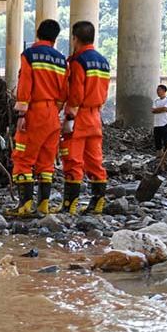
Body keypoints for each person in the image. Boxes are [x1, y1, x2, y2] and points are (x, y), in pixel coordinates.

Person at [9, 19, 67, 216]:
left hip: (34, 112)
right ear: (55, 38)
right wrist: (54, 110)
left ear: (38, 33)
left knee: (23, 158)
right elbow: (64, 92)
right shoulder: (61, 60)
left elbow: (25, 84)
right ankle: (43, 206)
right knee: (46, 161)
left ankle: (24, 206)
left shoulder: (30, 55)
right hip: (52, 115)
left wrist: (22, 113)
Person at [58, 20, 110, 214]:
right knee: (94, 159)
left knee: (72, 158)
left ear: (75, 38)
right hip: (96, 116)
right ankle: (98, 203)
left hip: (79, 116)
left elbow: (76, 93)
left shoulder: (78, 61)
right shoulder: (103, 61)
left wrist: (69, 118)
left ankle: (69, 204)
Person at [151, 85, 167, 155]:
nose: (157, 92)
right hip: (156, 123)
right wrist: (162, 109)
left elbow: (166, 108)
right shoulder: (156, 100)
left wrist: (158, 109)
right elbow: (153, 110)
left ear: (164, 91)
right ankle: (159, 154)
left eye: (159, 90)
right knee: (157, 140)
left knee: (166, 139)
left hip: (165, 122)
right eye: (157, 90)